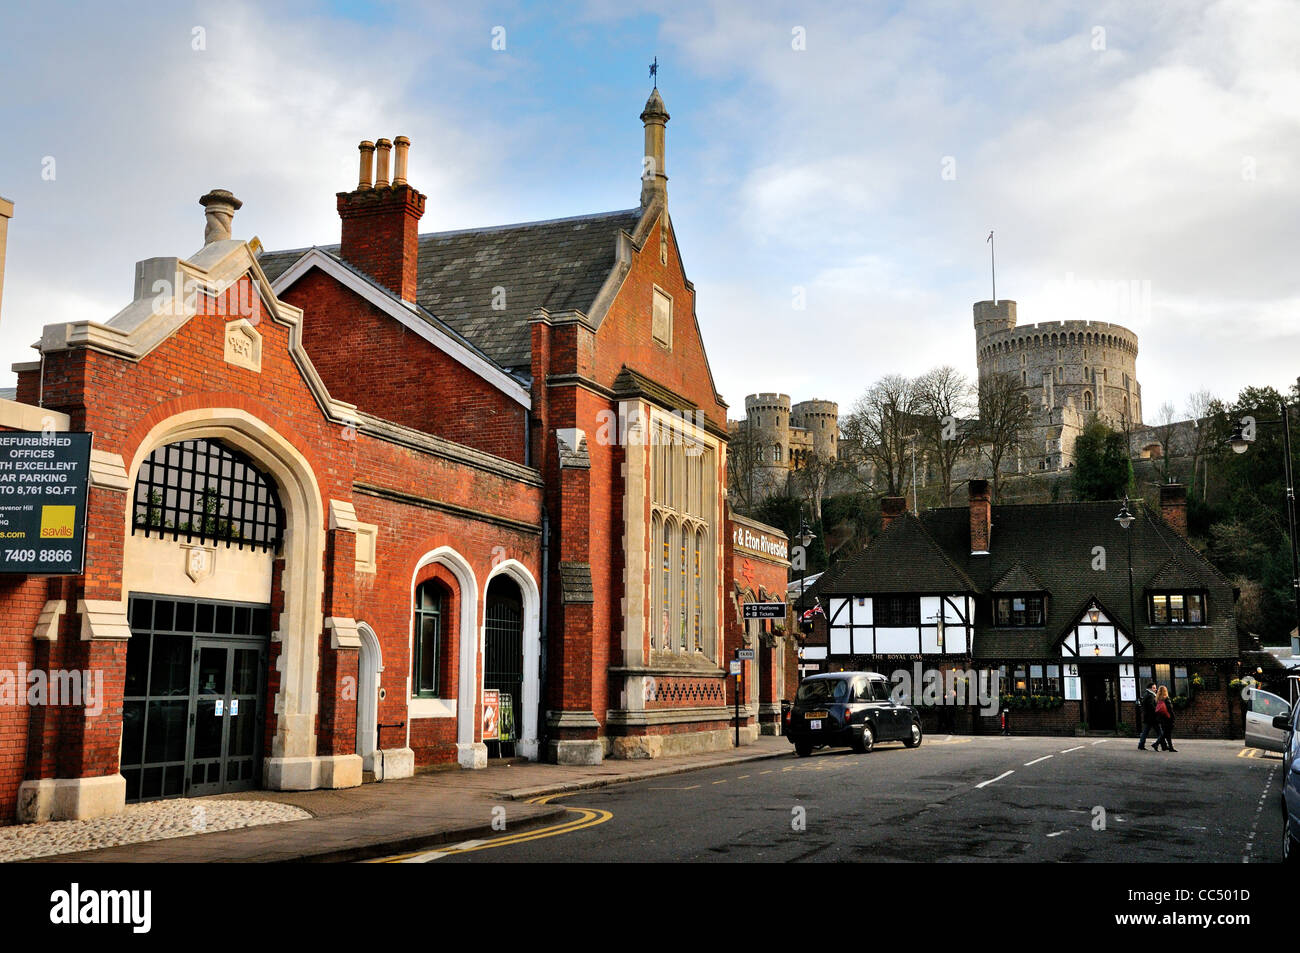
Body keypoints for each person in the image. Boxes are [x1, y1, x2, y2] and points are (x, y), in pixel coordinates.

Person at [1155, 685, 1177, 752]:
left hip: (1162, 718)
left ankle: (1170, 747)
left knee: (1167, 733)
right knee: (1166, 733)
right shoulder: (1166, 699)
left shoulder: (1158, 699)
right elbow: (1170, 709)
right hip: (1168, 718)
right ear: (1165, 691)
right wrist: (1173, 717)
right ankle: (1156, 744)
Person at [1138, 682, 1159, 750]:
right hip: (1152, 717)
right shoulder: (1150, 695)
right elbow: (1151, 706)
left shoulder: (1146, 694)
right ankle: (1163, 745)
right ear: (1150, 688)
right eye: (1154, 688)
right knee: (1160, 732)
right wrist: (1156, 711)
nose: (1155, 689)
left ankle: (1141, 745)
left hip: (1148, 717)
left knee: (1145, 732)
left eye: (1155, 688)